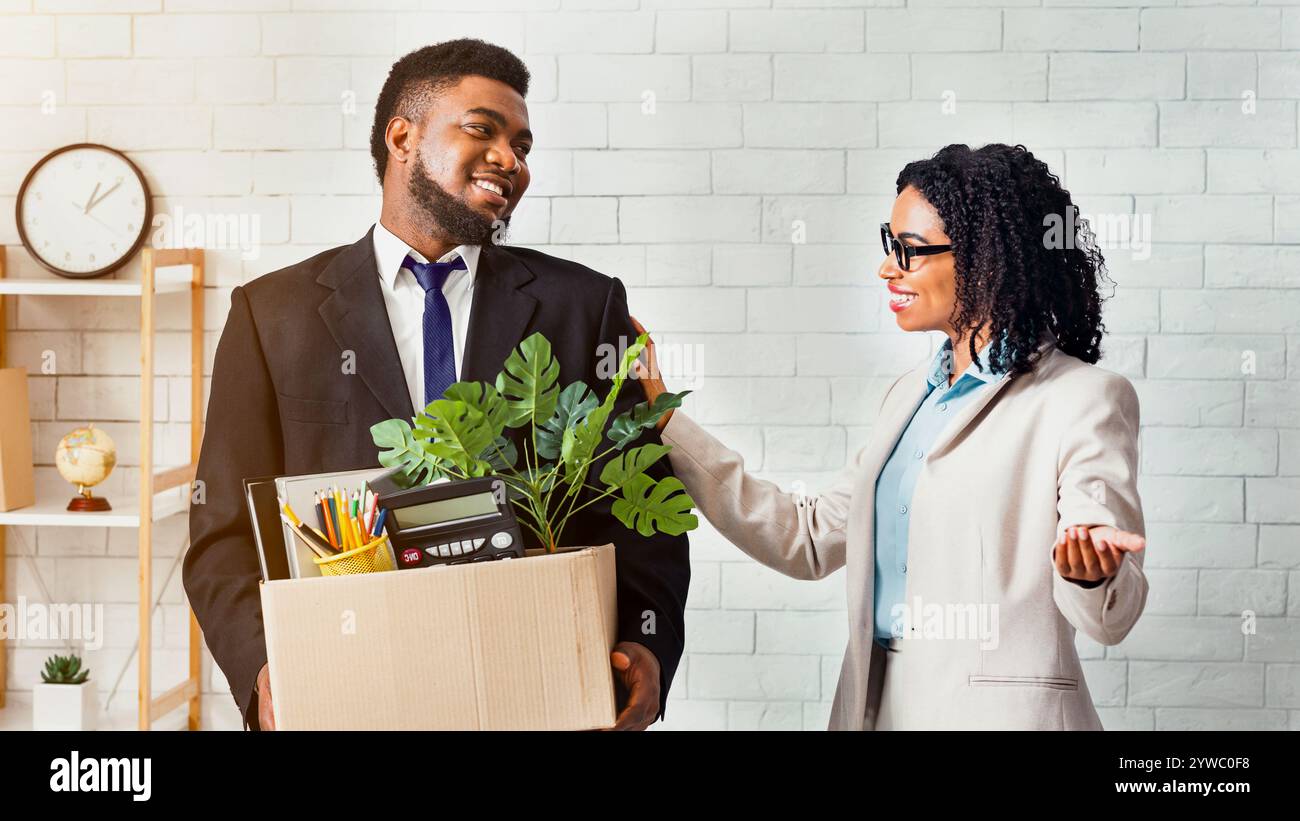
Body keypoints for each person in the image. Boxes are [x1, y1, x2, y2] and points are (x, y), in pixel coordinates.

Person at [184, 39, 690, 731]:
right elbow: (221, 534)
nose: (511, 160)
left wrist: (647, 643)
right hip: (346, 695)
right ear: (403, 136)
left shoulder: (584, 305)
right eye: (483, 129)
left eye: (522, 144)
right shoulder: (272, 315)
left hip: (538, 693)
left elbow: (639, 505)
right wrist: (262, 671)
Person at [631, 143, 1148, 730]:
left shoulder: (1083, 398)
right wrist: (663, 419)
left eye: (911, 251)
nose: (887, 268)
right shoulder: (909, 396)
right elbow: (807, 539)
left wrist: (1092, 571)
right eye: (889, 243)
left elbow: (1113, 616)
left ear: (988, 260)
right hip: (879, 712)